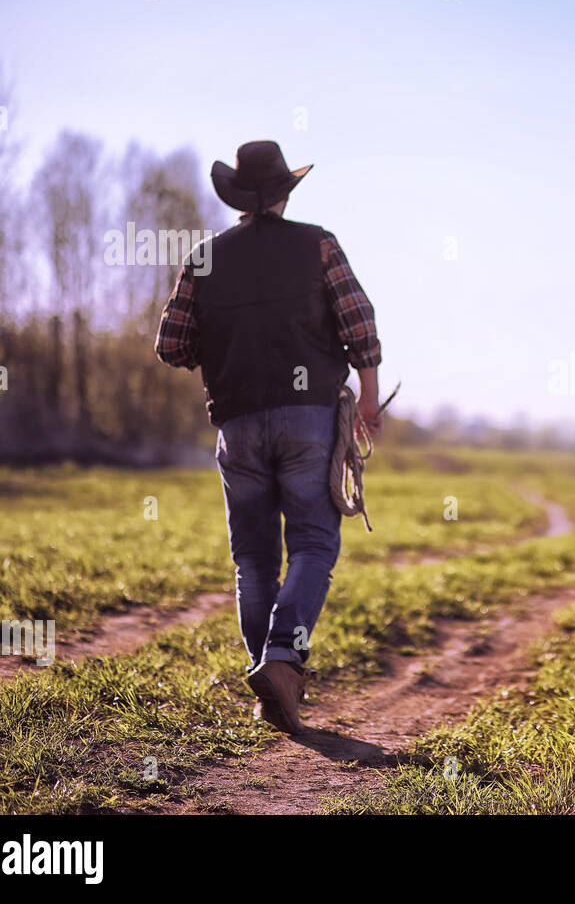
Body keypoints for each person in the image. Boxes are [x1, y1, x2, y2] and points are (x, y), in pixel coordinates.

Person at [155, 140, 382, 733]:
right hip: (309, 419)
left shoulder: (205, 257)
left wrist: (230, 345)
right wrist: (372, 399)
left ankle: (270, 690)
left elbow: (171, 345)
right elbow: (359, 322)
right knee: (313, 546)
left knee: (253, 562)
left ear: (239, 199)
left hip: (237, 422)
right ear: (284, 193)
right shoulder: (317, 244)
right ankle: (282, 660)